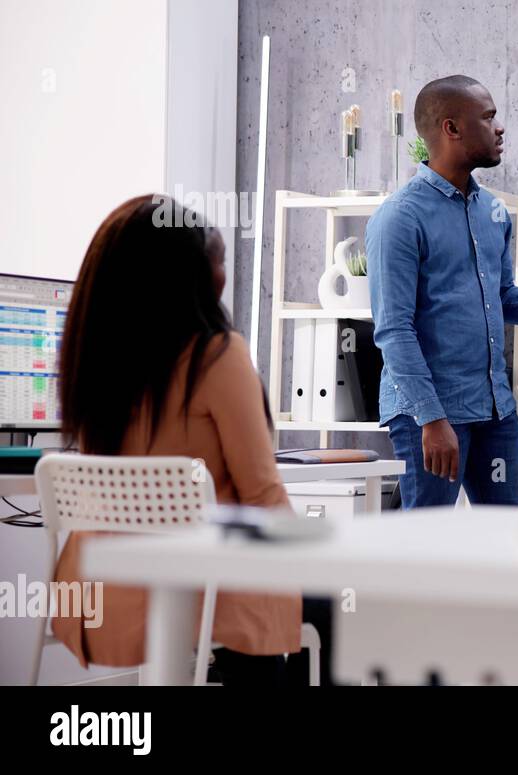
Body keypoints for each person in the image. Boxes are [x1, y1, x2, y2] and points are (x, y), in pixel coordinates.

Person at [52, 195, 324, 684]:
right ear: (184, 275)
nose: (224, 273)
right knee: (334, 601)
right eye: (217, 259)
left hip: (95, 593)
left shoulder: (98, 364)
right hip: (197, 590)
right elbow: (262, 494)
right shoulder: (217, 356)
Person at [367, 75, 518, 508]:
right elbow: (393, 330)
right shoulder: (399, 219)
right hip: (428, 415)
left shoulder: (493, 211)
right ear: (451, 128)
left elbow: (501, 298)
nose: (499, 127)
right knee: (429, 547)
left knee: (507, 538)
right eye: (488, 117)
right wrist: (431, 418)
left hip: (493, 410)